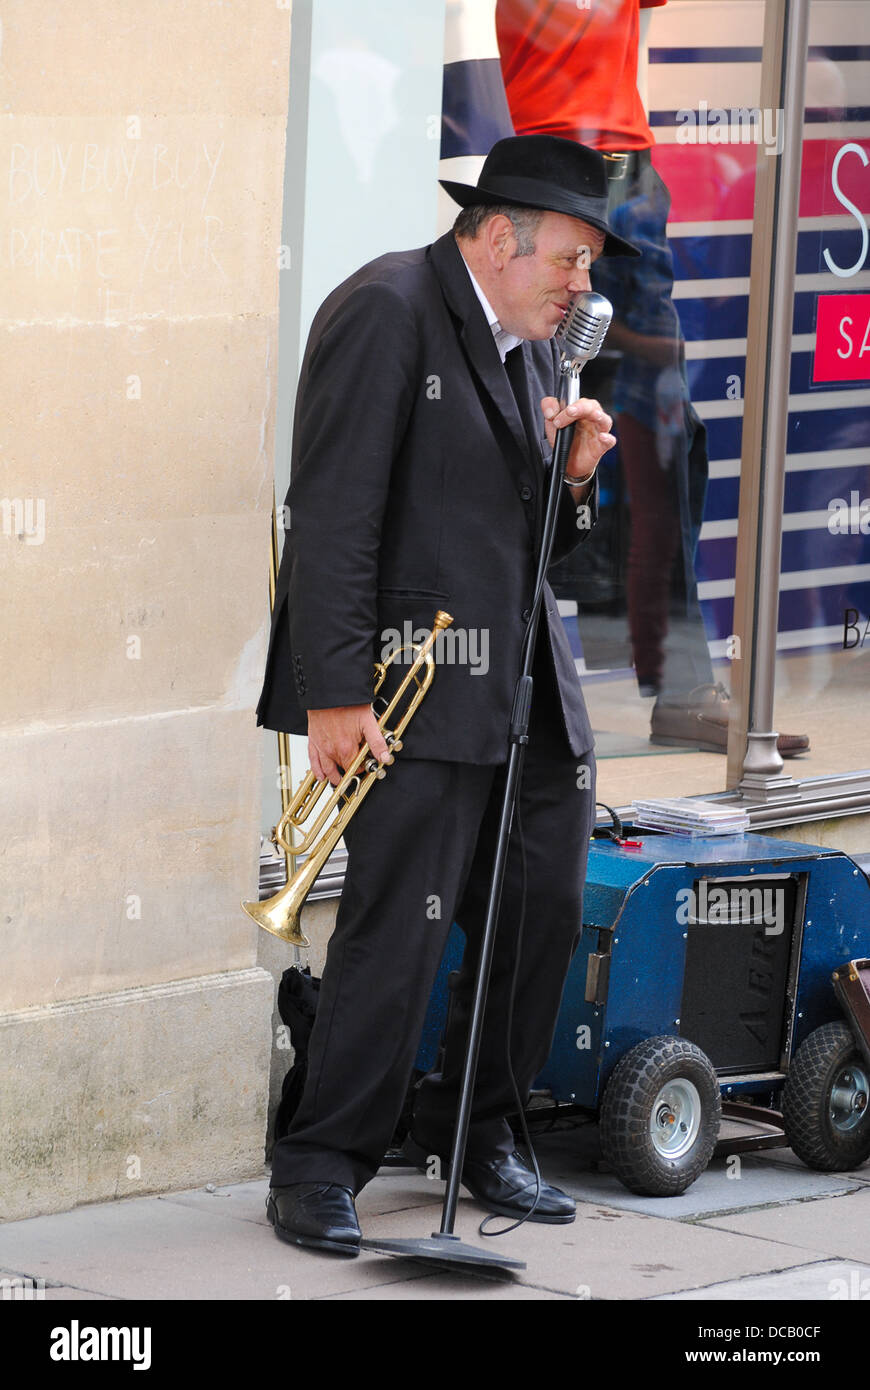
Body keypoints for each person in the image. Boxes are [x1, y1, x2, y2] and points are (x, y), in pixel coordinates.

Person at [255, 135, 636, 1257]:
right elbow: (330, 514)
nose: (582, 287)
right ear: (502, 235)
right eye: (570, 259)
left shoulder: (527, 346)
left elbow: (524, 546)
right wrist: (335, 691)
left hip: (525, 697)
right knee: (396, 935)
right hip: (408, 692)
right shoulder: (388, 308)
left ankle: (477, 1129)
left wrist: (573, 483)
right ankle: (322, 1161)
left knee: (542, 914)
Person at [496, 0, 809, 756]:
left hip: (616, 176)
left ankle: (674, 682)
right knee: (556, 425)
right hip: (566, 178)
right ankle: (535, 680)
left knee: (654, 434)